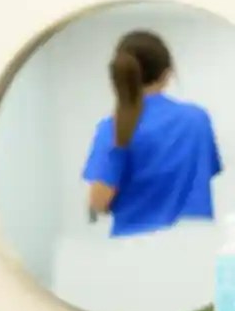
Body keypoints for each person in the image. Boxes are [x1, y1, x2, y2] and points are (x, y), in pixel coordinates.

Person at [83, 30, 223, 237]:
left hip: (135, 250)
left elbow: (99, 201)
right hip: (195, 248)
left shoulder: (115, 126)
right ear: (167, 73)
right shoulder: (198, 119)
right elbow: (204, 173)